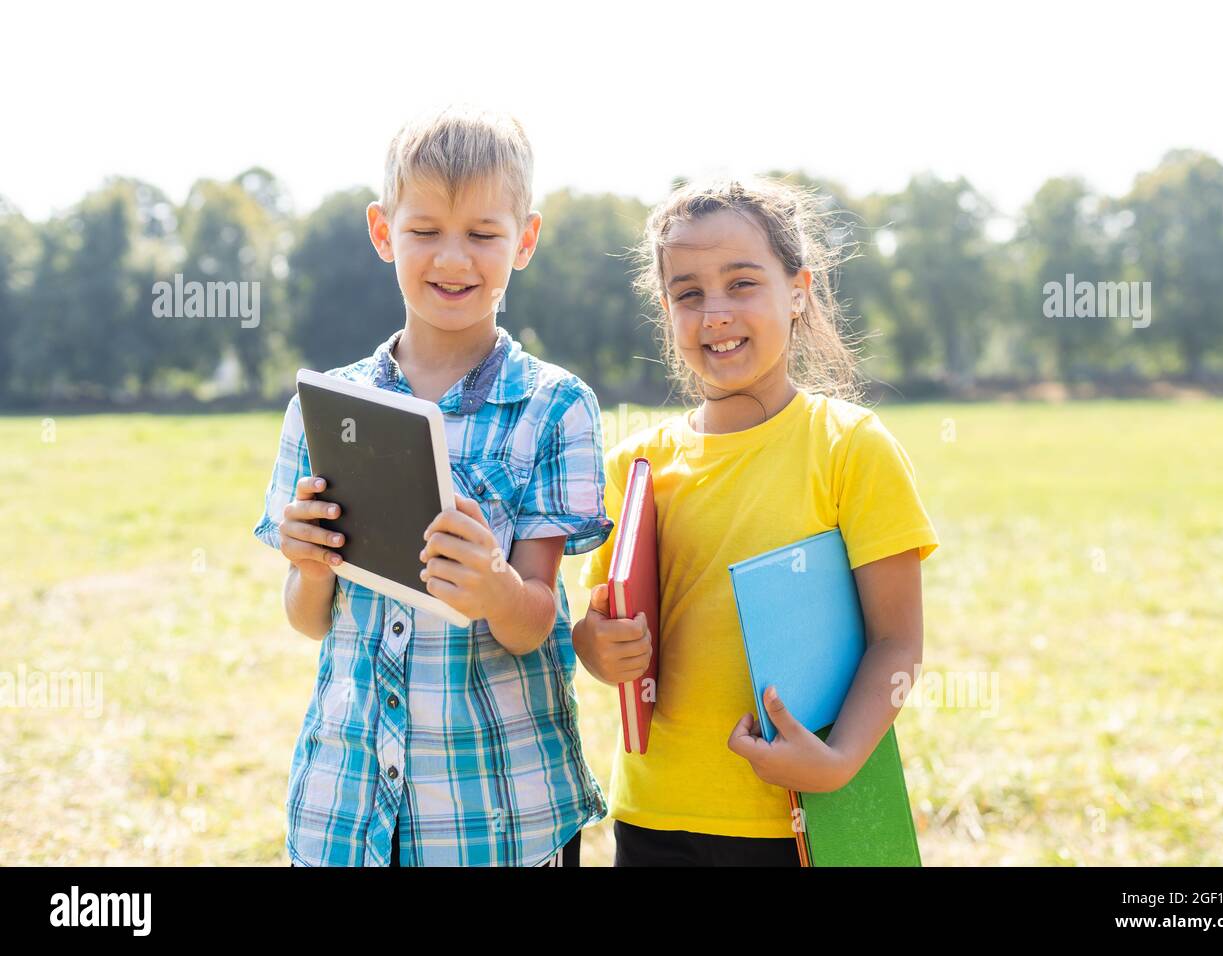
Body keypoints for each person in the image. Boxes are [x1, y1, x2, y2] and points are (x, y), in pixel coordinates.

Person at [253, 105, 611, 866]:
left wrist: (494, 588)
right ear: (384, 234)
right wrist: (311, 565)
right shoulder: (325, 407)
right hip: (344, 810)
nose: (454, 258)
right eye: (425, 232)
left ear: (526, 241)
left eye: (484, 233)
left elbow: (534, 621)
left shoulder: (554, 407)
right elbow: (308, 618)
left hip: (496, 817)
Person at [575, 176, 940, 866]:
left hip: (800, 822)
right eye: (688, 293)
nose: (715, 313)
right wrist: (597, 646)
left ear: (797, 291)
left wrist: (834, 763)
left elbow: (897, 643)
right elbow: (599, 634)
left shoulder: (849, 448)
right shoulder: (635, 466)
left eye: (742, 283)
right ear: (666, 311)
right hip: (653, 819)